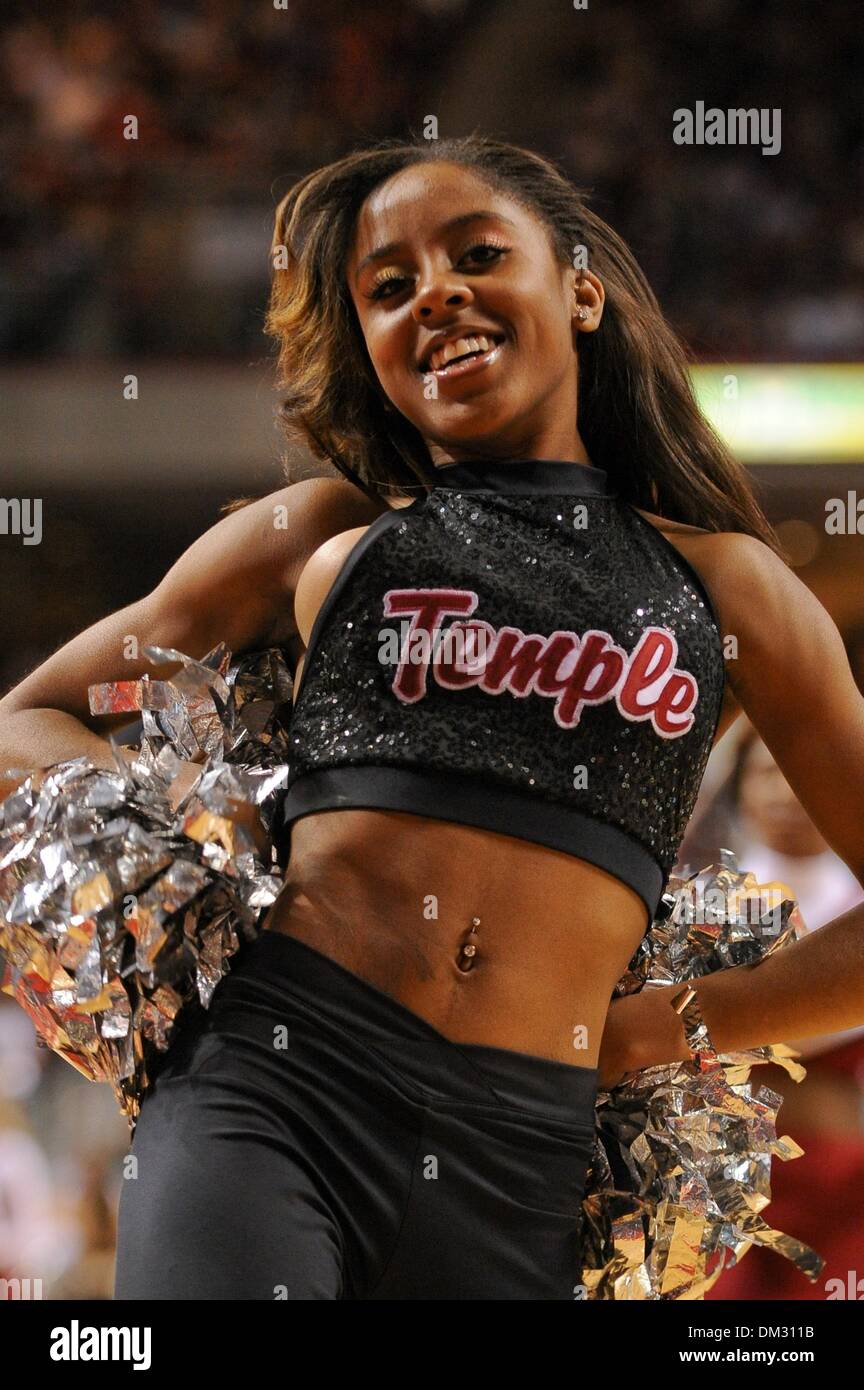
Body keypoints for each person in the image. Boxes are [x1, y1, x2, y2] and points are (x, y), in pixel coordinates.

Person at [2, 135, 864, 1301]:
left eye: (476, 254)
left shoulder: (726, 588)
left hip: (525, 1153)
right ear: (368, 342)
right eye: (390, 287)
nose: (437, 295)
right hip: (275, 1086)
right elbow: (29, 716)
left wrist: (664, 1028)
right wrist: (181, 868)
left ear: (581, 288)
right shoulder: (322, 537)